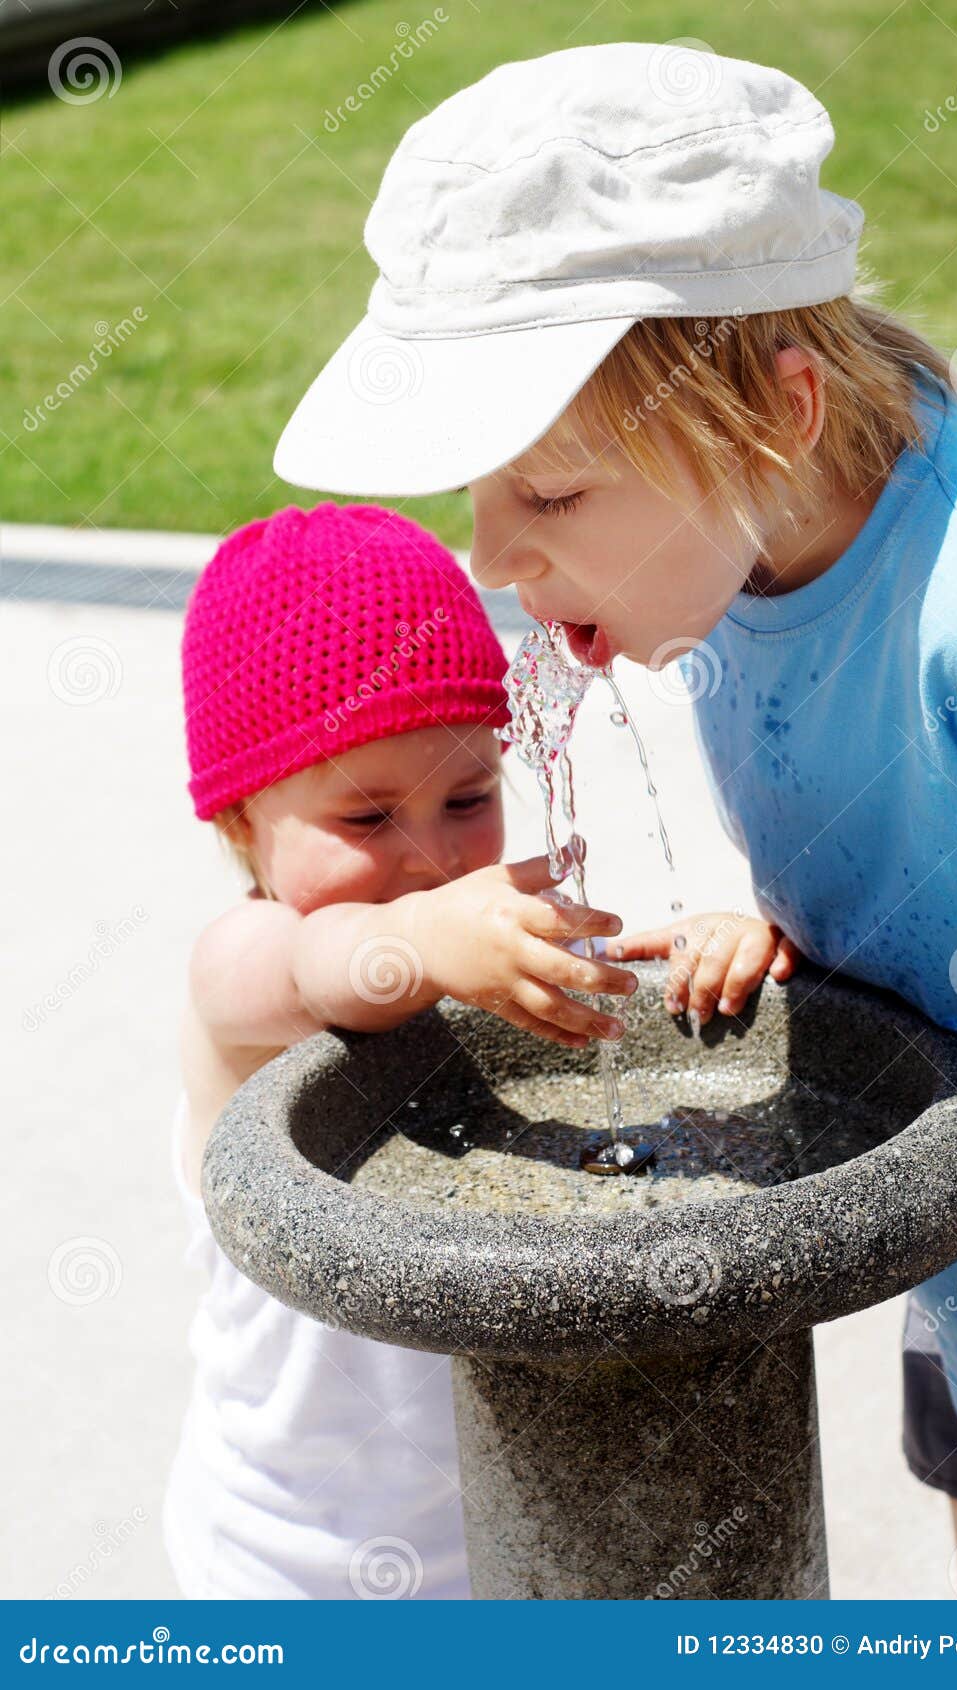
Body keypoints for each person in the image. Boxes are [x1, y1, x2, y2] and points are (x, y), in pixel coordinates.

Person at [270, 44, 957, 1598]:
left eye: (550, 498)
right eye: (482, 499)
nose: (495, 559)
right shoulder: (753, 546)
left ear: (774, 415)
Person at [164, 499, 646, 1599]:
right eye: (367, 820)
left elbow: (617, 1004)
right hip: (291, 1573)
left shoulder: (461, 948)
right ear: (240, 822)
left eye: (469, 796)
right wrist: (417, 940)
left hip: (506, 1555)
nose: (429, 859)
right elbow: (323, 966)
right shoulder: (241, 973)